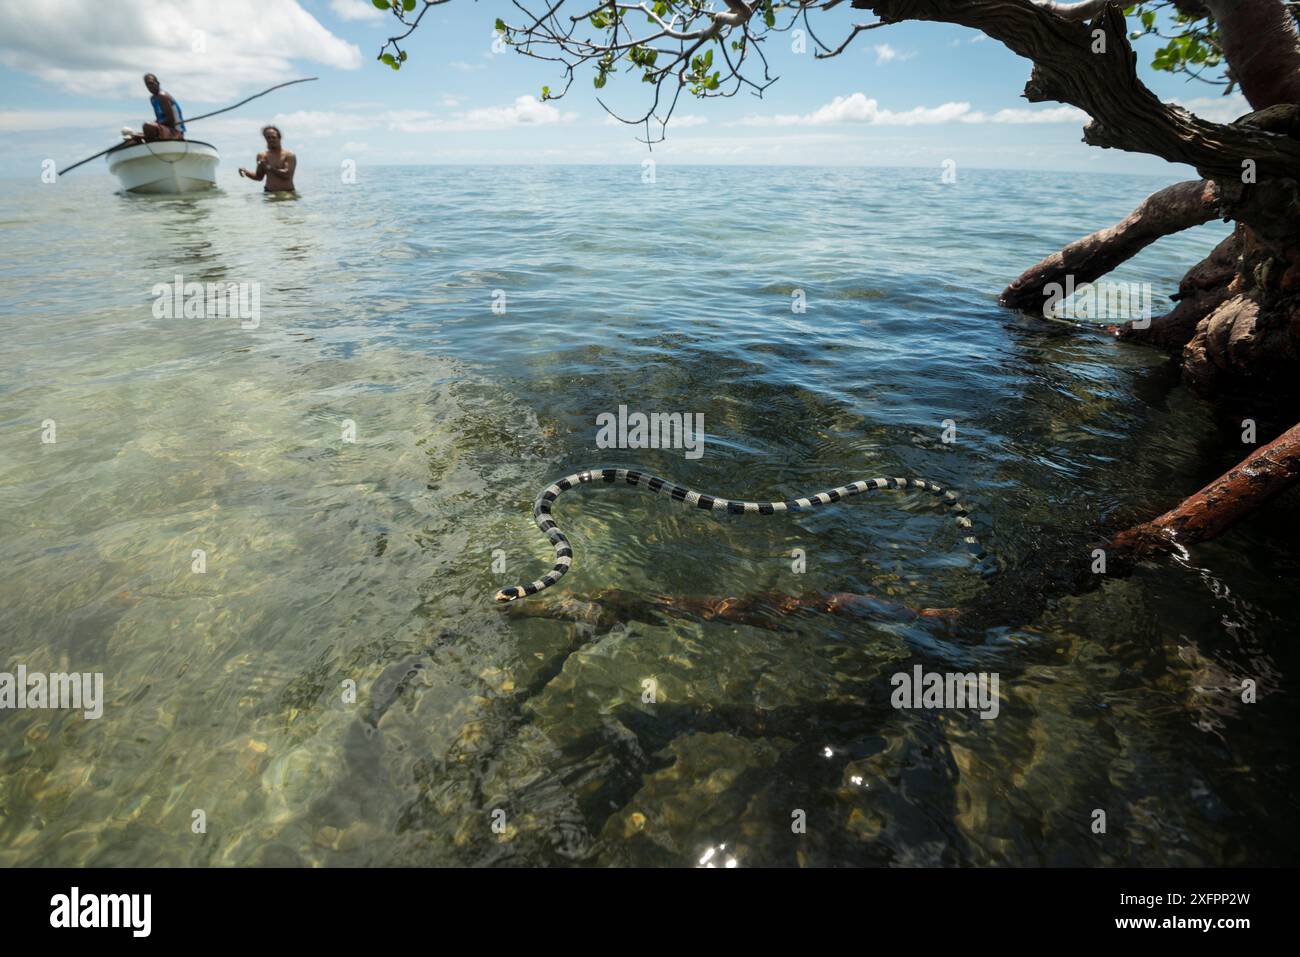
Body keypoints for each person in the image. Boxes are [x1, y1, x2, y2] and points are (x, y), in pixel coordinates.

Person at [238, 125, 297, 193]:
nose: (271, 140)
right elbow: (259, 177)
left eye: (273, 137)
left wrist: (269, 167)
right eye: (268, 137)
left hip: (287, 193)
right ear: (265, 139)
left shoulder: (289, 155)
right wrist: (246, 172)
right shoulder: (262, 156)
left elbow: (287, 175)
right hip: (269, 193)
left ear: (279, 138)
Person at [141, 74, 185, 142]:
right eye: (147, 84)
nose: (150, 86)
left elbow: (170, 120)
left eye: (151, 83)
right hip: (165, 128)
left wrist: (154, 125)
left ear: (157, 83)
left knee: (147, 126)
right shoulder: (152, 99)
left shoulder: (163, 96)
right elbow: (159, 119)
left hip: (175, 130)